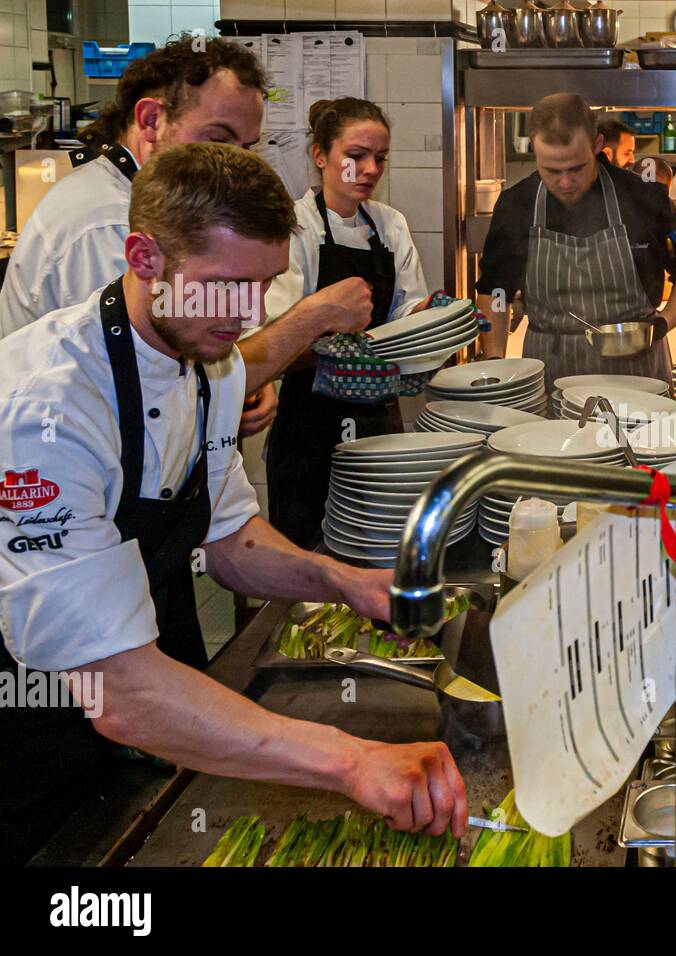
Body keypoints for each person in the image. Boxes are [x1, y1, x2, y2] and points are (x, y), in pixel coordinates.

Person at [0, 143, 468, 866]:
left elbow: (226, 538)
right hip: (26, 734)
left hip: (133, 725)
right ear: (143, 256)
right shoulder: (48, 408)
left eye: (265, 285)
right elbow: (117, 688)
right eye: (226, 286)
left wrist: (339, 580)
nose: (246, 315)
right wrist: (350, 760)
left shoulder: (207, 365)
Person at [0, 38, 374, 437]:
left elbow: (188, 369)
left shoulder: (159, 202)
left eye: (247, 148)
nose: (235, 165)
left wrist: (237, 382)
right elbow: (145, 387)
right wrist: (310, 318)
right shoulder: (105, 226)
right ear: (150, 120)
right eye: (218, 140)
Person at [255, 97, 430, 549]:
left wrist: (431, 322)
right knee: (306, 549)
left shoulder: (390, 225)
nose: (370, 169)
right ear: (320, 156)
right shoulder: (296, 225)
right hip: (308, 425)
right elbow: (272, 336)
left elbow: (407, 317)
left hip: (378, 419)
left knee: (376, 545)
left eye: (380, 158)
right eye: (355, 157)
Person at [475, 93, 676, 390]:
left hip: (638, 372)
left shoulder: (643, 197)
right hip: (552, 373)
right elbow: (495, 290)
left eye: (576, 167)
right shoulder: (517, 204)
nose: (564, 183)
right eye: (551, 170)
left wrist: (663, 323)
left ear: (597, 145)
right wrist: (496, 364)